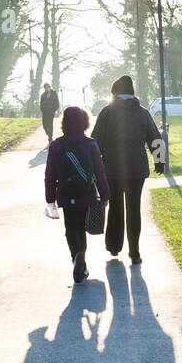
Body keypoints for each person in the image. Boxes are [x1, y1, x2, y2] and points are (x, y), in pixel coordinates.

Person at [91, 74, 161, 265]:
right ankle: (135, 252)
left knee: (115, 206)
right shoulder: (143, 113)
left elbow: (95, 141)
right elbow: (155, 137)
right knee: (134, 208)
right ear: (132, 93)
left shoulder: (107, 113)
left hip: (112, 167)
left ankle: (114, 245)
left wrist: (95, 165)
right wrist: (159, 162)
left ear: (115, 93)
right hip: (137, 167)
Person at [44, 105, 109, 284]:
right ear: (85, 122)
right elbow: (100, 171)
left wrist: (50, 199)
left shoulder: (56, 145)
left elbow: (50, 175)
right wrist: (104, 195)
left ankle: (76, 258)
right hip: (86, 192)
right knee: (82, 228)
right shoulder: (91, 144)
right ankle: (81, 259)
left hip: (66, 194)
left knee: (70, 229)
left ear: (64, 123)